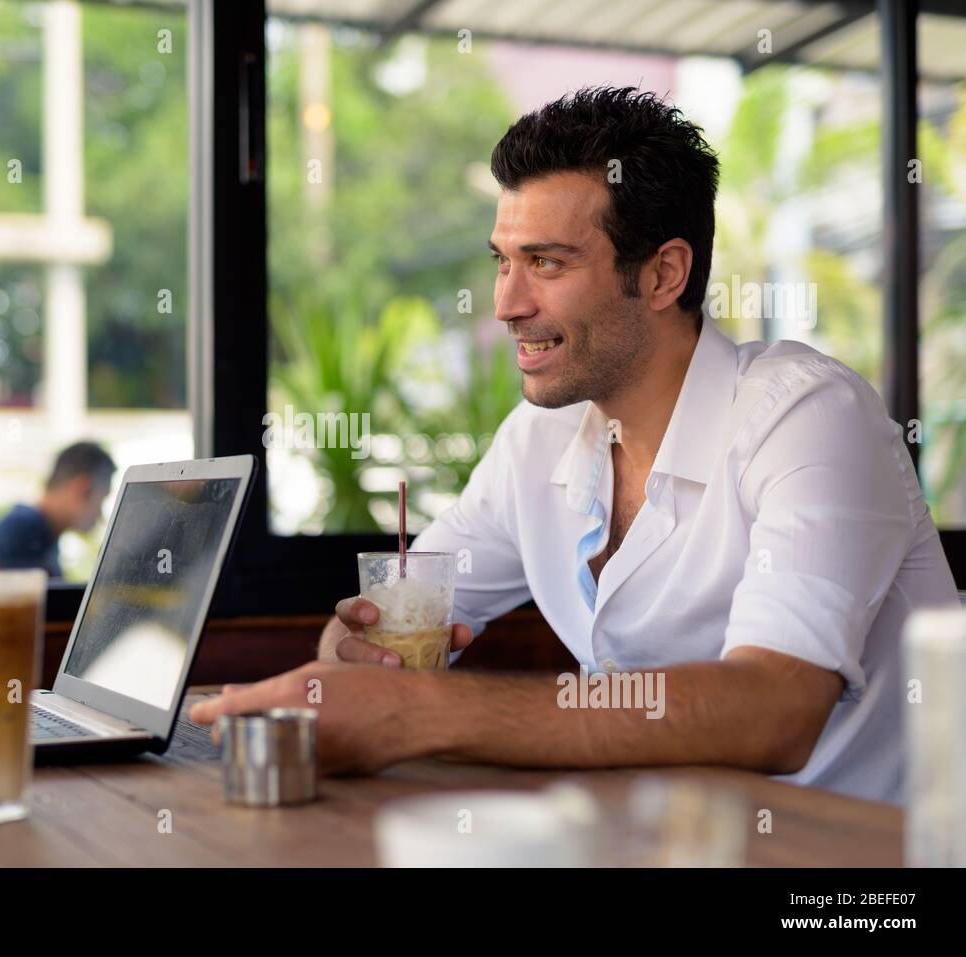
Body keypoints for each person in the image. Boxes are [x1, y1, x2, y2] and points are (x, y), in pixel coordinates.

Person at [190, 87, 958, 804]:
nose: (506, 304)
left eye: (547, 264)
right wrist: (350, 649)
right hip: (664, 841)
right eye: (502, 261)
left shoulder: (810, 414)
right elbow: (385, 614)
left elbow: (777, 708)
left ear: (663, 274)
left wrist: (428, 709)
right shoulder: (541, 437)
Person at [0, 441, 116, 579]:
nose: (100, 515)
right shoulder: (24, 525)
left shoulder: (46, 535)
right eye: (100, 500)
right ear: (82, 490)